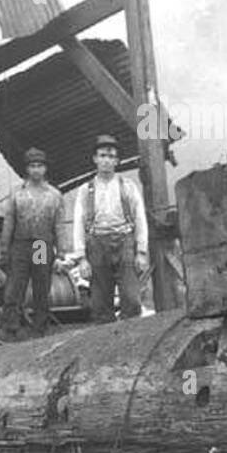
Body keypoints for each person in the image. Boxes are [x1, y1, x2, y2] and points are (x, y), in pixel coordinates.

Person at [72, 135, 148, 324]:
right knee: (100, 303)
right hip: (97, 245)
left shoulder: (128, 186)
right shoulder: (85, 190)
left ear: (117, 161)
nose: (106, 160)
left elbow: (140, 218)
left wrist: (141, 252)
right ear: (95, 159)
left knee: (131, 299)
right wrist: (81, 259)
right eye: (102, 155)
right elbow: (78, 224)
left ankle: (132, 340)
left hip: (125, 243)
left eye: (111, 156)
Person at [0, 148, 64, 338]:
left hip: (41, 245)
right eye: (32, 166)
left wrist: (61, 254)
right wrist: (4, 251)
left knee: (41, 286)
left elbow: (59, 225)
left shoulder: (54, 195)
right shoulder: (17, 193)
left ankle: (40, 328)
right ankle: (11, 328)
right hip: (20, 244)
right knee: (15, 287)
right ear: (27, 169)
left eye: (40, 166)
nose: (36, 170)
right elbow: (9, 222)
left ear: (45, 169)